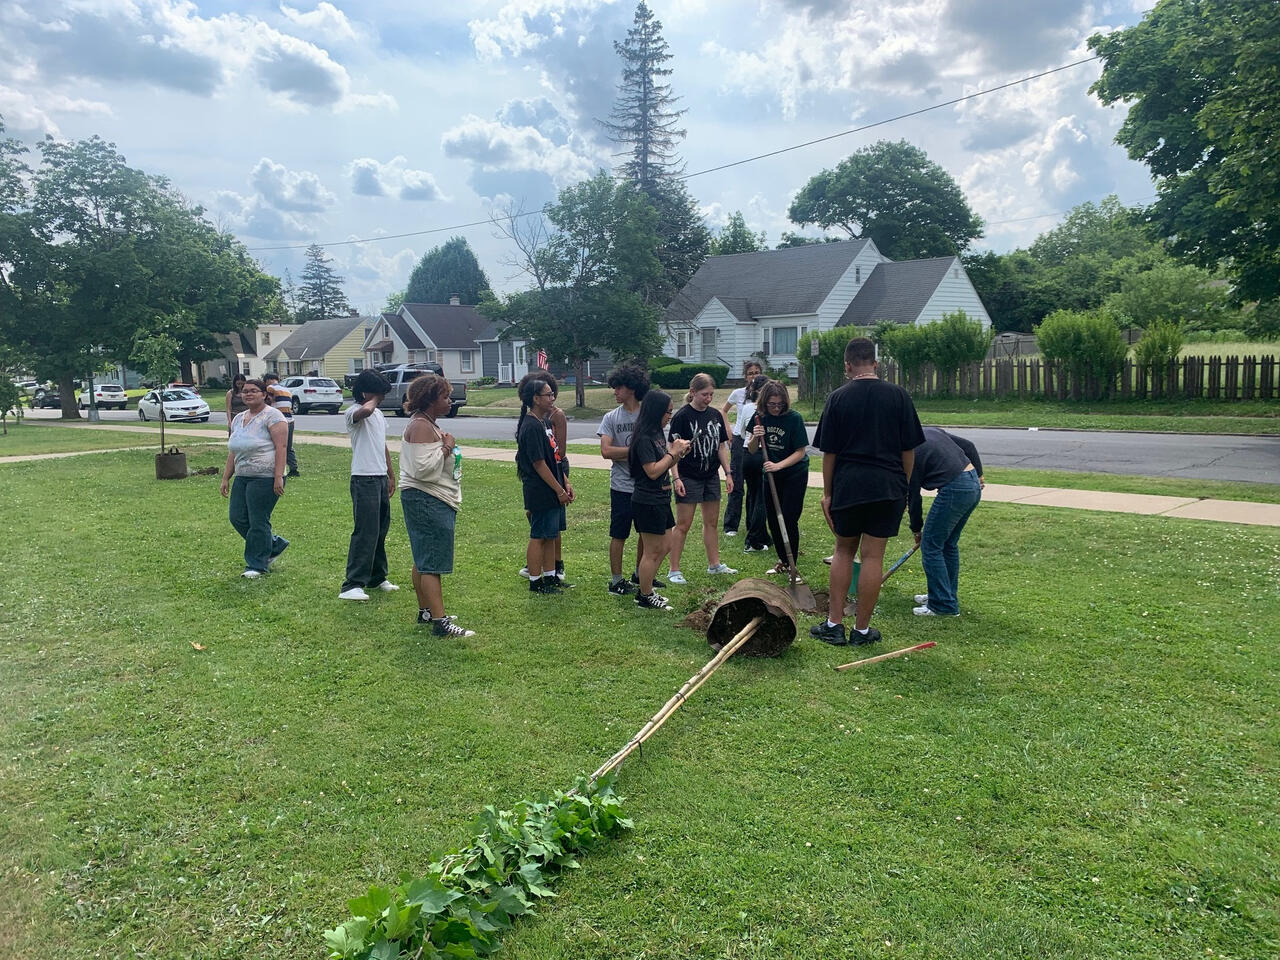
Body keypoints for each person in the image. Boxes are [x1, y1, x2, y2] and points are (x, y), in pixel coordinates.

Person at [811, 337, 925, 647]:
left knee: (843, 551)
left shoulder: (837, 399)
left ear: (847, 365)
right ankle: (862, 630)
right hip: (887, 486)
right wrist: (902, 486)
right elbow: (908, 451)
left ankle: (834, 625)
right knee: (873, 556)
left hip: (849, 486)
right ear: (875, 363)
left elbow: (830, 454)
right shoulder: (900, 396)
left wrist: (828, 493)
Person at [400, 373, 474, 636]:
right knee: (431, 562)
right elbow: (422, 470)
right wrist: (446, 448)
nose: (450, 401)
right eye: (445, 396)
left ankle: (427, 611)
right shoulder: (421, 426)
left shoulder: (427, 423)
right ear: (431, 399)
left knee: (423, 557)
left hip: (430, 498)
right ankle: (440, 623)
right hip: (427, 498)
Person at [667, 373, 736, 584]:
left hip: (711, 476)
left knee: (712, 522)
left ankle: (714, 564)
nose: (708, 398)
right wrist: (676, 478)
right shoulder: (682, 417)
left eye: (711, 395)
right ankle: (674, 569)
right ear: (693, 392)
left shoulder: (715, 415)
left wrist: (728, 472)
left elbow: (720, 446)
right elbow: (674, 449)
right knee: (683, 524)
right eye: (704, 394)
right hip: (689, 476)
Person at [908, 428, 984, 617]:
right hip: (971, 481)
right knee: (948, 544)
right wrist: (979, 474)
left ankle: (943, 605)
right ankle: (943, 595)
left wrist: (917, 530)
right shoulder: (929, 431)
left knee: (931, 545)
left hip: (955, 488)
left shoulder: (907, 452)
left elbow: (913, 497)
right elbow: (969, 445)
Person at [339, 370, 398, 601]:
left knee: (380, 530)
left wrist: (391, 474)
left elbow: (382, 445)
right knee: (365, 531)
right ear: (365, 393)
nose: (382, 398)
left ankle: (377, 576)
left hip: (380, 477)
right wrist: (371, 399)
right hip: (363, 478)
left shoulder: (379, 415)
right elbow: (365, 410)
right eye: (379, 394)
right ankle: (352, 584)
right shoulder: (353, 412)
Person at [220, 379, 289, 579]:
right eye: (244, 391)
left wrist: (278, 476)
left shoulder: (274, 416)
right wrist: (226, 477)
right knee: (237, 517)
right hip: (243, 476)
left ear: (264, 394)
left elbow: (281, 448)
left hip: (265, 478)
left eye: (253, 391)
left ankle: (257, 565)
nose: (248, 394)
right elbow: (234, 451)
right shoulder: (238, 418)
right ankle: (273, 545)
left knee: (258, 520)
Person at [629, 390, 691, 610]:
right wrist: (674, 453)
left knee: (666, 545)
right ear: (656, 412)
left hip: (661, 498)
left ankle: (647, 588)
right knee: (652, 551)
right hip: (648, 500)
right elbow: (653, 471)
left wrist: (678, 453)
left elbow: (665, 461)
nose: (670, 417)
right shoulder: (644, 438)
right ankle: (644, 596)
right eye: (668, 412)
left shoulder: (657, 433)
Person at [597, 361, 655, 596]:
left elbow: (658, 446)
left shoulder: (648, 415)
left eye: (618, 388)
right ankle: (616, 580)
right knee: (619, 534)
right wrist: (636, 452)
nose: (615, 392)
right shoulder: (611, 417)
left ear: (631, 388)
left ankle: (641, 574)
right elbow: (606, 451)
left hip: (645, 485)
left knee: (646, 533)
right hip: (621, 485)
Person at [745, 380, 810, 578]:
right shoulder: (759, 418)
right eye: (772, 404)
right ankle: (783, 560)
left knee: (789, 519)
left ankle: (793, 565)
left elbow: (800, 452)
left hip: (794, 474)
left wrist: (778, 465)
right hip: (771, 476)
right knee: (772, 519)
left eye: (779, 404)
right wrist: (756, 437)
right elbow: (752, 449)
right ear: (764, 402)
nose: (775, 408)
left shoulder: (794, 419)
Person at [516, 374, 574, 594]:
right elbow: (539, 463)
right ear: (535, 399)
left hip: (554, 485)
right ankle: (535, 580)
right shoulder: (530, 426)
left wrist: (565, 482)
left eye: (552, 394)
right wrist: (558, 489)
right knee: (538, 536)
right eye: (548, 394)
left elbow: (555, 457)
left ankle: (551, 578)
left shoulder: (545, 422)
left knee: (551, 535)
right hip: (541, 490)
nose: (552, 398)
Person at [721, 359, 764, 536]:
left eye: (756, 372)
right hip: (739, 440)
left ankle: (752, 523)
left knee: (756, 485)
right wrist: (729, 432)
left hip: (755, 442)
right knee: (737, 482)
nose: (754, 376)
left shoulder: (764, 395)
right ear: (745, 376)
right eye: (750, 373)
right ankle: (731, 525)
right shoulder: (738, 393)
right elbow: (723, 410)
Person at [739, 375, 772, 554]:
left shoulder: (746, 407)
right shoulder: (762, 410)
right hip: (758, 452)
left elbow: (742, 432)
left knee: (752, 494)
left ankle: (760, 532)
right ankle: (754, 539)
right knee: (762, 498)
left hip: (747, 455)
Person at [263, 372, 299, 477]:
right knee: (287, 446)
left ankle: (277, 468)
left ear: (267, 381)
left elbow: (268, 401)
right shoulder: (287, 390)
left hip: (277, 421)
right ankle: (294, 469)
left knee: (274, 446)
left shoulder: (270, 388)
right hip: (289, 420)